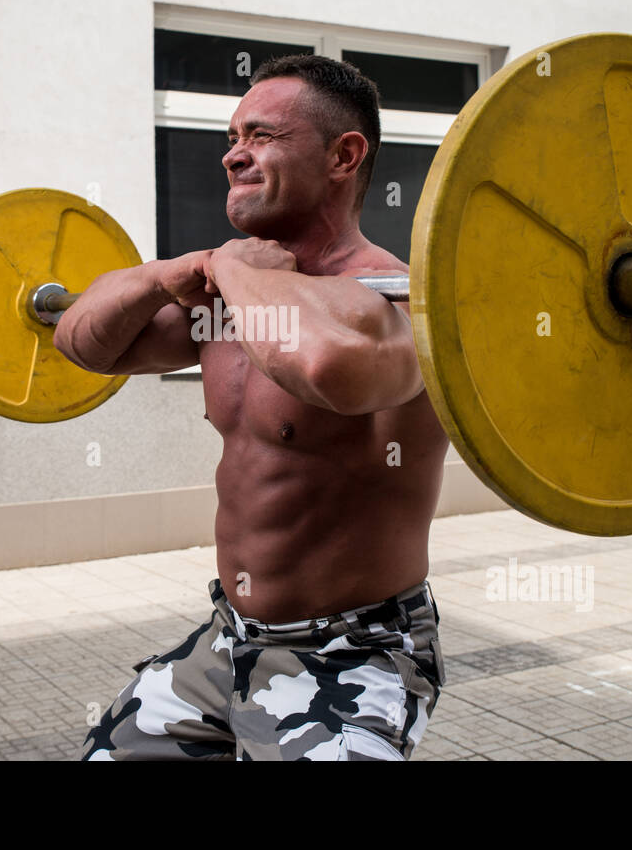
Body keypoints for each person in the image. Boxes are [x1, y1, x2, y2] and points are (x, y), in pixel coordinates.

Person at [58, 55, 451, 760]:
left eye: (261, 134)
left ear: (344, 154)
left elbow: (327, 367)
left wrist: (236, 267)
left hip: (353, 653)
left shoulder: (399, 300)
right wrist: (158, 275)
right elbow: (85, 344)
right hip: (229, 637)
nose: (233, 153)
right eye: (232, 135)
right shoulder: (225, 299)